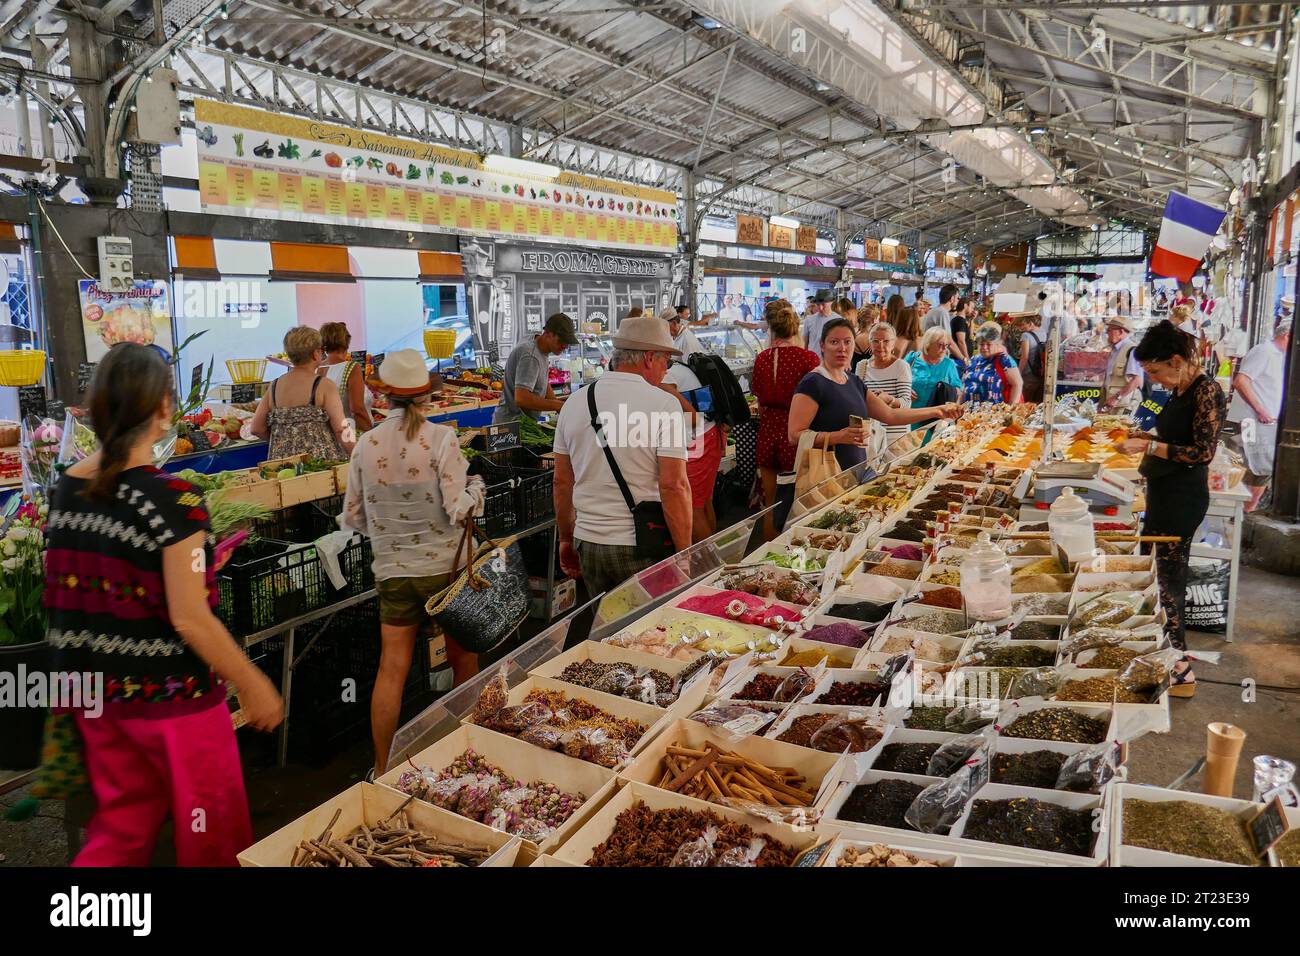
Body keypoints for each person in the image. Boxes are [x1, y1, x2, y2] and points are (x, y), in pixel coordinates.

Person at [47, 343, 283, 866]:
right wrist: (252, 681)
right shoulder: (173, 500)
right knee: (212, 833)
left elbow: (86, 582)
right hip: (174, 707)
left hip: (99, 700)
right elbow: (188, 616)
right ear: (162, 411)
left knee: (120, 831)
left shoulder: (66, 489)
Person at [340, 350, 485, 777]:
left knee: (392, 669)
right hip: (447, 571)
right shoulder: (441, 439)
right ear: (424, 396)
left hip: (393, 572)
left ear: (383, 396)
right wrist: (477, 489)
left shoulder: (365, 445)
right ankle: (468, 753)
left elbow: (352, 515)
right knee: (464, 661)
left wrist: (392, 535)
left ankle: (381, 766)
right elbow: (457, 507)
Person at [1115, 321, 1227, 694]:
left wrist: (1148, 447)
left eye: (1157, 371)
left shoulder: (1206, 391)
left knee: (1168, 584)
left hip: (1182, 498)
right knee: (1156, 576)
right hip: (1164, 493)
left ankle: (1180, 667)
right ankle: (1162, 655)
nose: (1156, 380)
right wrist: (1145, 437)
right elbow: (1173, 438)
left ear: (1177, 360)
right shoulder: (1180, 389)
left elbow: (1201, 452)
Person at [553, 315, 693, 596]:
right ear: (649, 358)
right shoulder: (665, 405)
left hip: (588, 542)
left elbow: (561, 481)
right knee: (649, 634)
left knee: (603, 633)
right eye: (667, 360)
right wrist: (685, 553)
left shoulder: (575, 402)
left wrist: (566, 539)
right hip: (643, 545)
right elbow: (673, 486)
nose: (667, 369)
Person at [789, 318, 960, 471]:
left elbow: (890, 415)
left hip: (857, 470)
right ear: (822, 345)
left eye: (848, 342)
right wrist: (838, 437)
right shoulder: (813, 382)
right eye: (834, 342)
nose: (842, 348)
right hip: (825, 474)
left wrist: (938, 411)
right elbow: (794, 435)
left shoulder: (853, 381)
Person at [751, 300, 819, 539]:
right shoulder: (808, 359)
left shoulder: (762, 358)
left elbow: (759, 401)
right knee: (798, 503)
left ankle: (768, 558)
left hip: (768, 434)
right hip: (796, 435)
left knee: (771, 505)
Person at [250, 325, 353, 460]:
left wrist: (285, 440)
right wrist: (357, 455)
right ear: (315, 353)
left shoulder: (274, 386)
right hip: (319, 463)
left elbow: (256, 428)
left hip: (282, 465)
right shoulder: (323, 385)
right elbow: (341, 429)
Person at [1226, 318, 1291, 512]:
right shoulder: (1264, 351)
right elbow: (1241, 381)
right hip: (1251, 421)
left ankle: (1247, 510)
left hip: (1264, 422)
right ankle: (1244, 511)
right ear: (1286, 335)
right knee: (1254, 466)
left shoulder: (1279, 356)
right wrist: (1261, 410)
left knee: (1261, 468)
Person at [662, 356, 727, 542]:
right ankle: (711, 552)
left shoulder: (665, 378)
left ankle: (706, 564)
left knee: (692, 507)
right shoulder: (677, 368)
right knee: (704, 500)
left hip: (699, 440)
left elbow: (692, 418)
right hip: (711, 434)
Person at [496, 311, 577, 423]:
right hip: (512, 427)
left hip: (520, 423)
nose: (564, 346)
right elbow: (521, 398)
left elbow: (542, 380)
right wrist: (557, 405)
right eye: (561, 341)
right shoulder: (531, 356)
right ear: (548, 333)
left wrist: (558, 405)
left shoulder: (537, 344)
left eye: (567, 342)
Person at [855, 321, 913, 448]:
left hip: (897, 438)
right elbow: (857, 400)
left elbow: (906, 403)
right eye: (875, 341)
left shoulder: (901, 366)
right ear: (870, 343)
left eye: (886, 341)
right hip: (871, 437)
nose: (880, 345)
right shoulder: (862, 366)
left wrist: (889, 399)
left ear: (893, 343)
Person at [318, 321, 374, 434]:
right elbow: (357, 409)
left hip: (325, 435)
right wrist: (371, 434)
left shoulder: (316, 368)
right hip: (348, 435)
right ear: (346, 341)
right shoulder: (351, 368)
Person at [906, 326, 964, 423]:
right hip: (910, 416)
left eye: (946, 345)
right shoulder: (912, 358)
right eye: (940, 345)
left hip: (936, 420)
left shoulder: (949, 364)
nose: (944, 348)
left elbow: (957, 390)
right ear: (928, 344)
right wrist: (906, 390)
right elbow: (897, 381)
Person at [963, 322, 1024, 404]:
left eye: (988, 344)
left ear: (996, 344)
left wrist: (1011, 408)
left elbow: (1017, 384)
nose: (984, 347)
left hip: (996, 412)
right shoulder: (973, 360)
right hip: (971, 413)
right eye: (981, 344)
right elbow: (964, 387)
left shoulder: (1004, 359)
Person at [1100, 316, 1145, 413]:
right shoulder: (1115, 349)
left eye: (1109, 330)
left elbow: (1137, 380)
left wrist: (1117, 398)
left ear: (1120, 332)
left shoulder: (1132, 350)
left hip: (1124, 403)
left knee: (1120, 428)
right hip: (1113, 401)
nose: (1107, 333)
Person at [1015, 313, 1047, 404]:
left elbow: (1024, 357)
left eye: (1023, 324)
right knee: (1036, 402)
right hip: (1040, 373)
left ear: (1031, 323)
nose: (1021, 327)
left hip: (1029, 374)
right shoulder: (1044, 333)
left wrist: (1018, 373)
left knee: (1024, 401)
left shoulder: (1026, 335)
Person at [801, 289, 836, 360]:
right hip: (812, 362)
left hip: (831, 362)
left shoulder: (839, 320)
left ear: (831, 302)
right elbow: (805, 343)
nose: (820, 308)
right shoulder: (809, 320)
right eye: (818, 304)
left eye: (823, 304)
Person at [844, 298, 872, 369]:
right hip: (870, 374)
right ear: (873, 320)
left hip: (854, 371)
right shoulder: (874, 338)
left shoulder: (854, 334)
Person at [949, 296, 973, 367]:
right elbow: (961, 341)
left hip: (961, 359)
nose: (972, 310)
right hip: (959, 360)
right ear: (965, 305)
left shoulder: (962, 320)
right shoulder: (960, 321)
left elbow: (970, 337)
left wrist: (972, 320)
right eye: (971, 307)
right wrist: (966, 358)